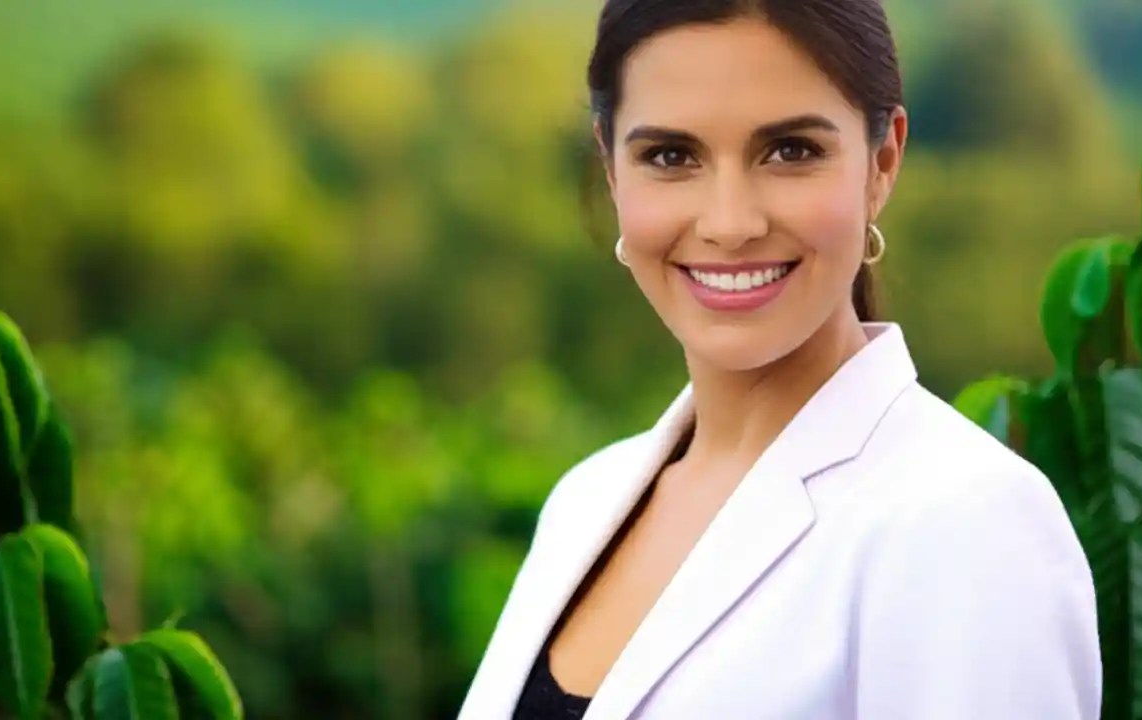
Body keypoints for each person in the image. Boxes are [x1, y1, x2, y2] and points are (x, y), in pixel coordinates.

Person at [457, 0, 1102, 717]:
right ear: (611, 169)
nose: (730, 224)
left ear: (881, 162)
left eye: (791, 151)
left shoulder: (968, 524)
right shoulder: (584, 502)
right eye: (671, 157)